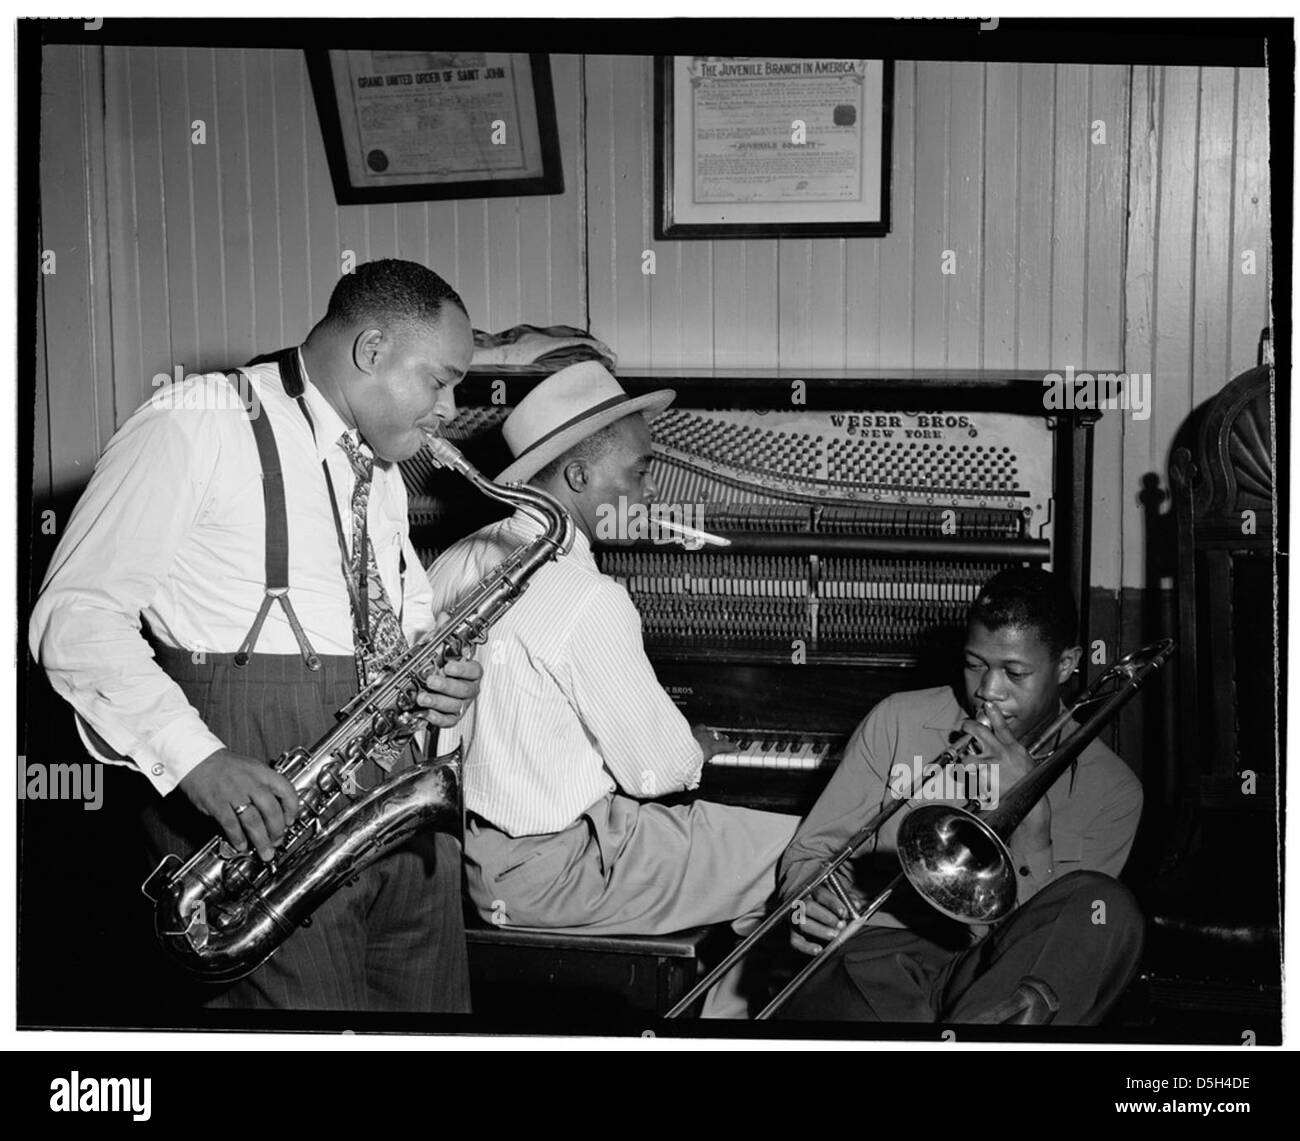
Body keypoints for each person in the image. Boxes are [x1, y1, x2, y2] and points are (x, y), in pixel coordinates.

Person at [29, 259, 483, 1014]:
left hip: (398, 832)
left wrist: (447, 683)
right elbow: (74, 616)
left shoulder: (385, 468)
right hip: (262, 829)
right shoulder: (195, 420)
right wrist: (196, 758)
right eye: (440, 380)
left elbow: (403, 629)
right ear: (372, 349)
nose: (451, 408)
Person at [426, 362, 799, 1015]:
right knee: (810, 848)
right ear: (579, 477)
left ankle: (709, 1004)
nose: (650, 491)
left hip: (460, 857)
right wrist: (697, 744)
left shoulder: (456, 558)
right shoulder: (587, 596)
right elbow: (660, 771)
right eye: (639, 470)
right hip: (557, 870)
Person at [776, 567, 1145, 1024]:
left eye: (1015, 673)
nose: (988, 693)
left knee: (1109, 907)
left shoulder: (1112, 789)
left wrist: (1030, 815)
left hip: (996, 968)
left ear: (1067, 665)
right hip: (878, 955)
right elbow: (813, 850)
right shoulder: (898, 720)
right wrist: (806, 899)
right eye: (975, 665)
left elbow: (1061, 941)